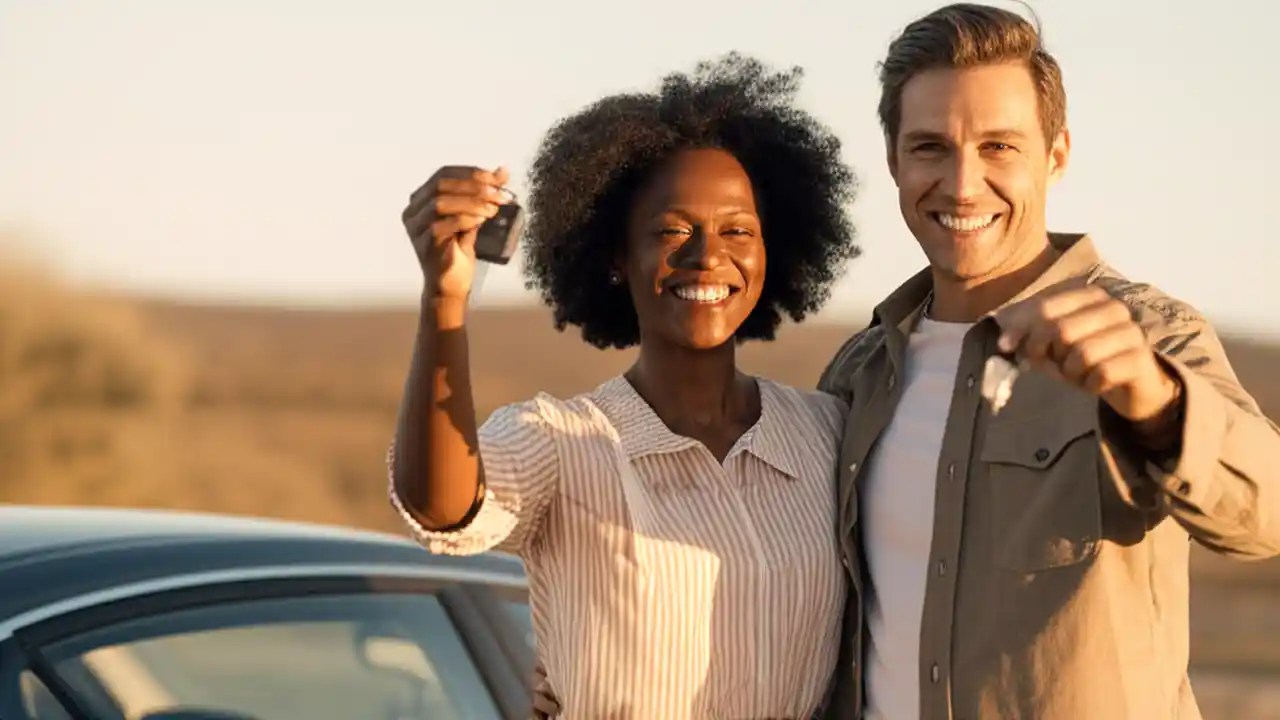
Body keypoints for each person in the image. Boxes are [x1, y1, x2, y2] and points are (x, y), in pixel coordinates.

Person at [817, 5, 1280, 719]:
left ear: (1057, 154)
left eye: (999, 147)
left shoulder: (1150, 334)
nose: (963, 185)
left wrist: (1156, 403)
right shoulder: (859, 371)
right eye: (931, 148)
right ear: (894, 162)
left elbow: (1265, 517)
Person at [388, 53, 860, 718]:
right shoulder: (562, 442)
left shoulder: (827, 433)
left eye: (737, 231)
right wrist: (445, 296)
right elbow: (441, 510)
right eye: (672, 230)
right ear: (616, 255)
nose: (707, 255)